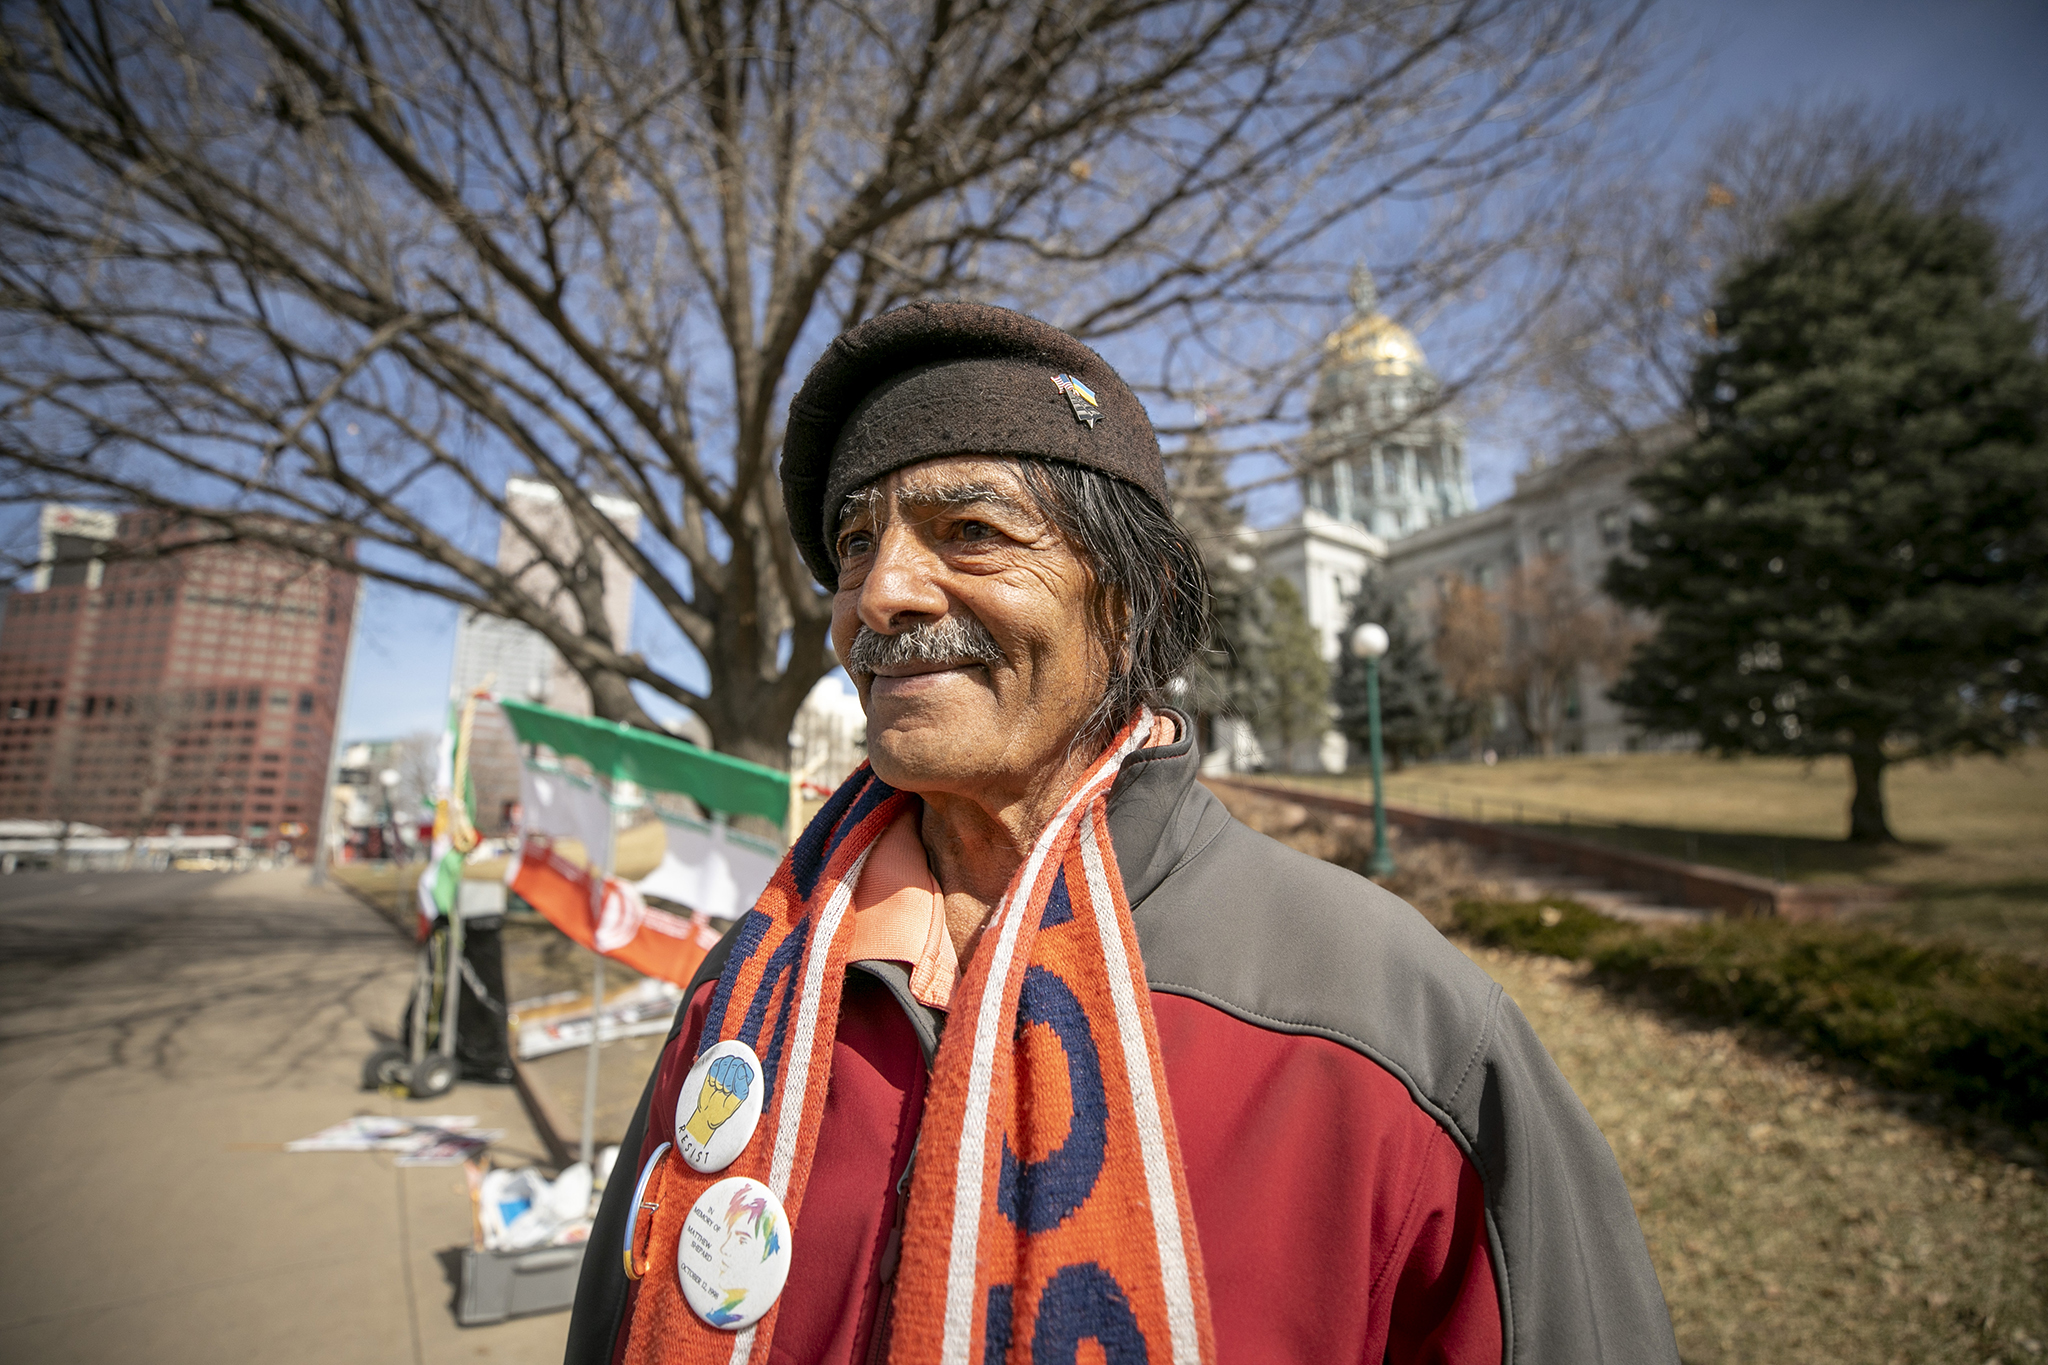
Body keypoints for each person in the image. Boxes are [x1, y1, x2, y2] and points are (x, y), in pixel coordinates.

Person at [565, 301, 1680, 1364]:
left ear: (1130, 598)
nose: (881, 592)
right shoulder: (752, 980)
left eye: (970, 531)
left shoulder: (1390, 1026)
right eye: (854, 545)